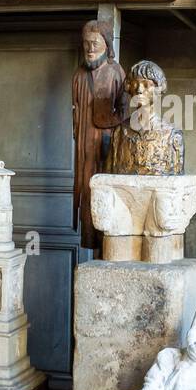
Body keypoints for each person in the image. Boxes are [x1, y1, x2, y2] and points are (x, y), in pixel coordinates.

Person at [71, 20, 124, 249]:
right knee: (85, 188)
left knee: (104, 188)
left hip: (105, 141)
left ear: (106, 44)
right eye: (86, 44)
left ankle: (107, 239)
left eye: (95, 43)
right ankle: (91, 236)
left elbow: (126, 109)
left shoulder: (115, 72)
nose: (90, 49)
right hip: (84, 145)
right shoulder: (79, 76)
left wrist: (108, 124)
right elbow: (74, 110)